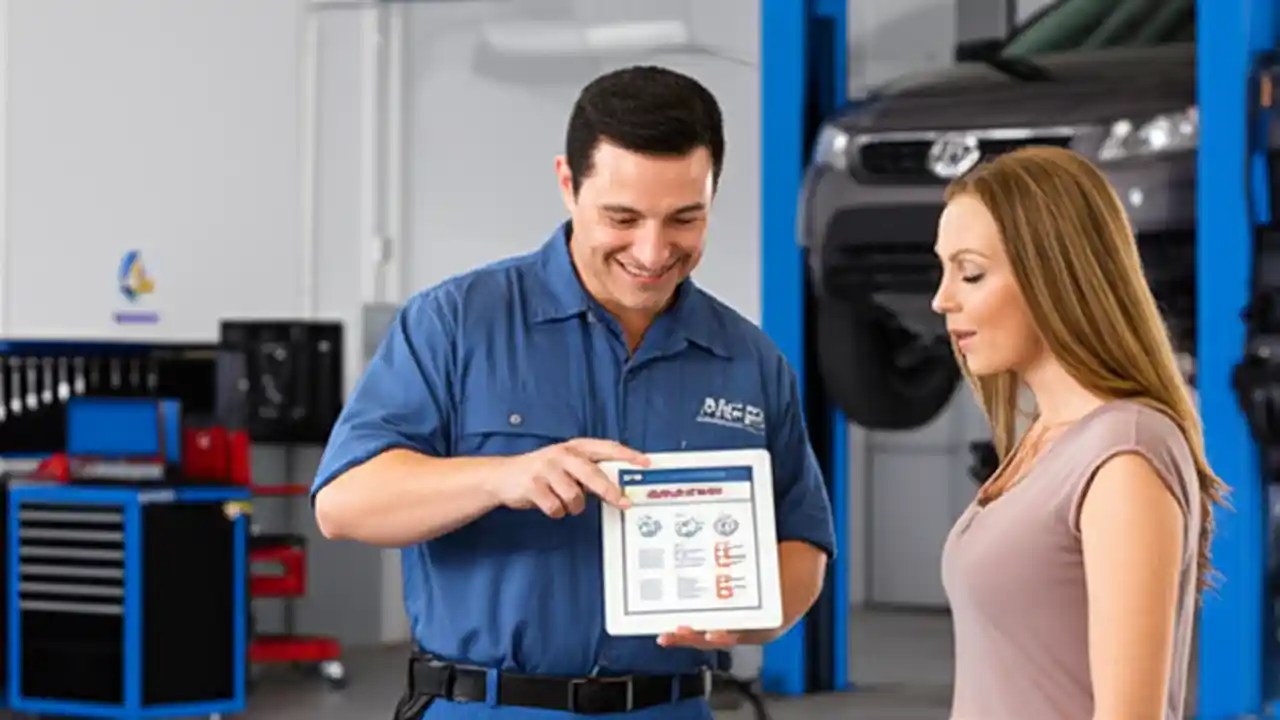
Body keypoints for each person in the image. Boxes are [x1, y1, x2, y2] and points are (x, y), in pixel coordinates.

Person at [309, 65, 836, 719]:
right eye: (622, 217)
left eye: (684, 219)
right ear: (568, 183)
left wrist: (753, 619)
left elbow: (802, 544)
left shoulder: (748, 359)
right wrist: (502, 477)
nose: (652, 250)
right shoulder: (456, 323)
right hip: (490, 708)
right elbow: (345, 502)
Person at [930, 145, 1227, 720]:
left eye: (970, 272)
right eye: (943, 270)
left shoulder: (1124, 454)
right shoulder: (1046, 441)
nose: (943, 298)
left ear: (1054, 274)